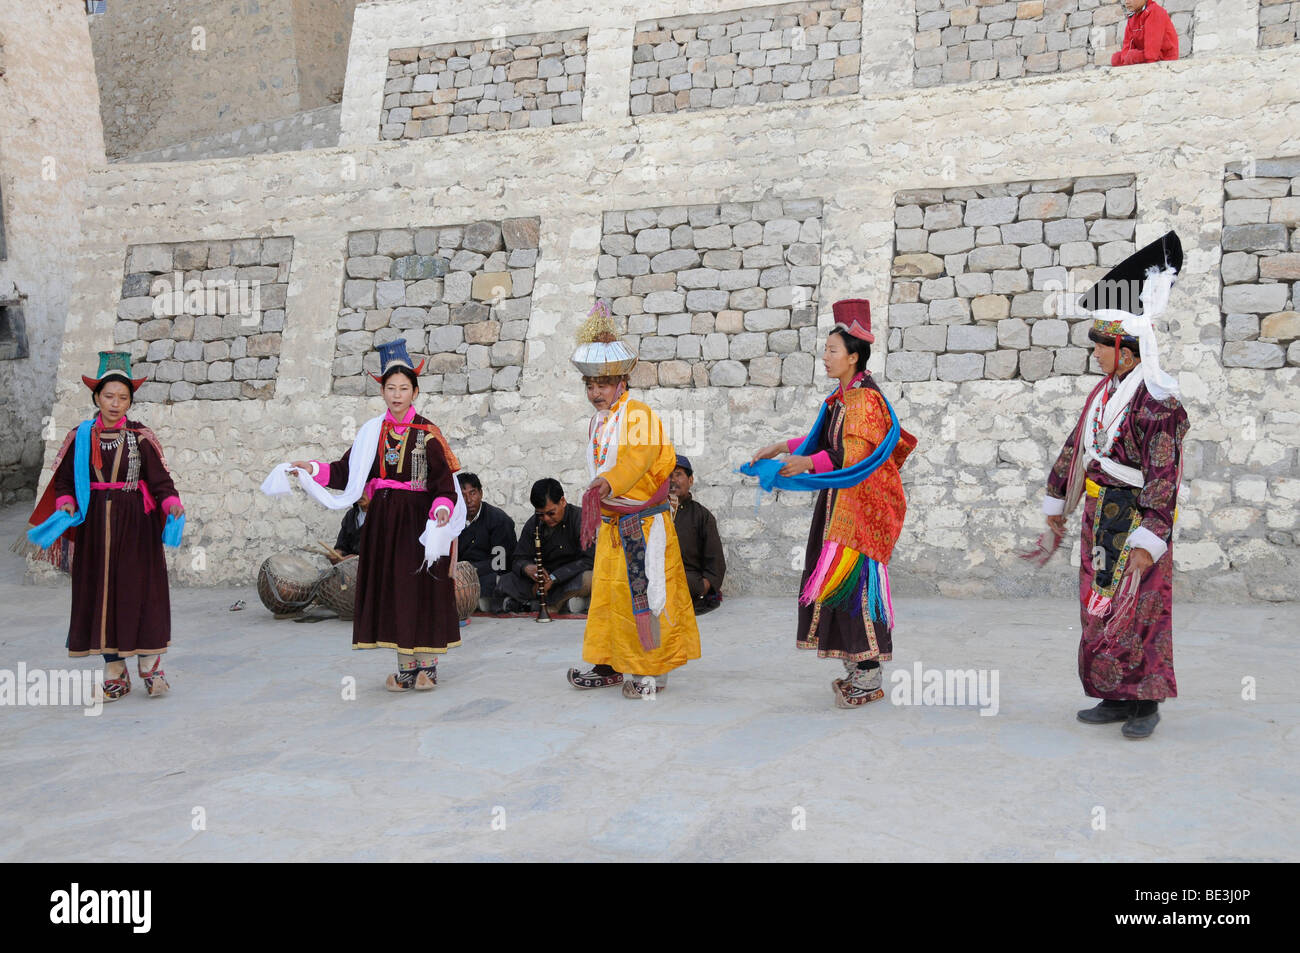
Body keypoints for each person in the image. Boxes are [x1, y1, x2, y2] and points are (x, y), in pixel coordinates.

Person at [1031, 232, 1188, 740]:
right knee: (1098, 605)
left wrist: (1151, 537)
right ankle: (1114, 693)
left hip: (1136, 517)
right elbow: (1076, 447)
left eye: (1101, 347)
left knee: (1140, 608)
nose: (1095, 356)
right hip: (1098, 516)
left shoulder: (1159, 404)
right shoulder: (1104, 394)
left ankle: (1146, 703)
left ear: (1125, 349)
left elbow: (1165, 477)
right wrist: (1058, 503)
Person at [745, 299, 917, 709]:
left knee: (857, 588)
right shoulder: (839, 399)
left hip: (861, 510)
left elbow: (853, 458)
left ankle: (870, 673)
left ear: (854, 357)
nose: (825, 357)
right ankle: (855, 669)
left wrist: (805, 462)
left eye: (832, 350)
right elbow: (822, 442)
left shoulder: (863, 401)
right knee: (836, 585)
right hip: (839, 504)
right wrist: (778, 448)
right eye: (825, 349)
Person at [275, 338, 465, 692]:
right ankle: (405, 667)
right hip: (383, 528)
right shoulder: (371, 434)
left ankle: (428, 665)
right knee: (394, 590)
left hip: (419, 525)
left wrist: (441, 510)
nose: (396, 395)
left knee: (421, 588)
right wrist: (310, 468)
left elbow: (444, 484)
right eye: (390, 388)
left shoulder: (428, 435)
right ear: (382, 392)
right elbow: (346, 472)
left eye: (403, 388)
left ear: (415, 391)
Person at [22, 352, 185, 700]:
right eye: (109, 396)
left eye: (123, 398)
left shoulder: (140, 437)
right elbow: (64, 481)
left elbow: (160, 480)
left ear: (130, 401)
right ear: (96, 398)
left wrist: (171, 503)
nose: (115, 403)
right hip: (95, 527)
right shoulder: (81, 437)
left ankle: (151, 669)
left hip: (136, 528)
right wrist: (66, 501)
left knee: (141, 592)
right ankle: (115, 673)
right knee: (102, 595)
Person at [566, 302, 701, 697]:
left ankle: (650, 671)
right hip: (613, 525)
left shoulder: (638, 415)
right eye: (590, 385)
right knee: (609, 597)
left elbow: (637, 460)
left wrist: (607, 484)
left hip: (642, 527)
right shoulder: (600, 420)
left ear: (622, 381)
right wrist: (605, 490)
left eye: (602, 384)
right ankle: (609, 661)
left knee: (648, 595)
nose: (595, 392)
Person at [498, 478, 593, 614]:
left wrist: (554, 578)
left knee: (590, 578)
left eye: (551, 513)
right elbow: (518, 558)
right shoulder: (534, 523)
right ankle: (562, 603)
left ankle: (540, 605)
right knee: (506, 580)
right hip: (542, 580)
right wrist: (528, 568)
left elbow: (589, 560)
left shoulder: (580, 518)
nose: (546, 519)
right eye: (541, 514)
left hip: (569, 576)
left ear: (562, 501)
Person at [668, 454, 726, 614]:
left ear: (690, 480)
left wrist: (705, 586)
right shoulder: (654, 514)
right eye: (668, 476)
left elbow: (715, 560)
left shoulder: (702, 516)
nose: (673, 481)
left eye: (678, 474)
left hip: (689, 579)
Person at [456, 471, 517, 611]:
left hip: (490, 573)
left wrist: (467, 570)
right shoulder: (454, 521)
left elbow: (500, 562)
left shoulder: (499, 520)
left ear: (481, 494)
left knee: (498, 581)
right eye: (463, 495)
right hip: (462, 575)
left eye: (472, 493)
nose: (468, 500)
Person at [1111, 0, 1178, 66]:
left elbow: (1153, 50)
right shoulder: (1133, 18)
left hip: (1163, 57)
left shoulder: (1155, 11)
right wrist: (1125, 60)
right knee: (1116, 58)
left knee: (1132, 56)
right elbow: (1127, 45)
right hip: (1144, 54)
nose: (1127, 2)